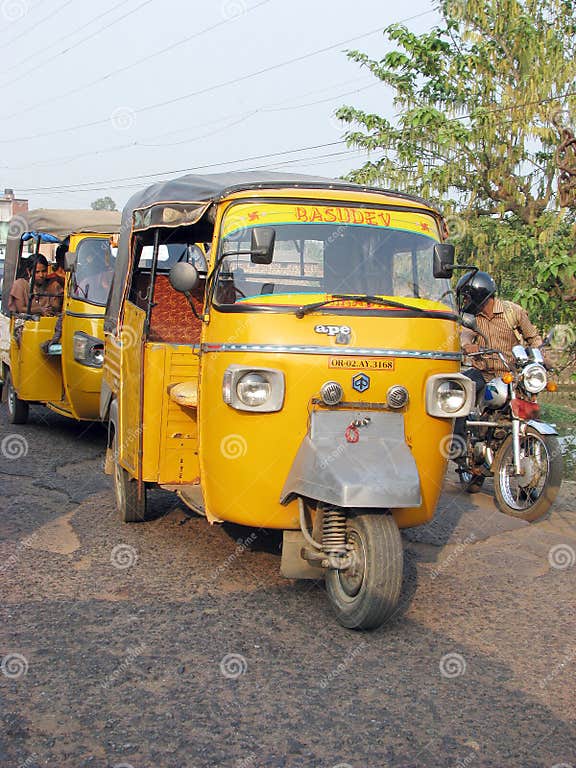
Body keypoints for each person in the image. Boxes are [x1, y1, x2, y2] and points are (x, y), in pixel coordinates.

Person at [451, 270, 543, 455]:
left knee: (530, 409)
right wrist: (467, 345)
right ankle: (458, 446)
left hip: (512, 375)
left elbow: (534, 339)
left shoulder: (513, 312)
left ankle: (532, 447)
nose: (465, 302)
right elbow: (465, 335)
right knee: (459, 389)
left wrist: (539, 359)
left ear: (477, 294)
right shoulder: (472, 317)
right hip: (484, 372)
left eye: (467, 297)